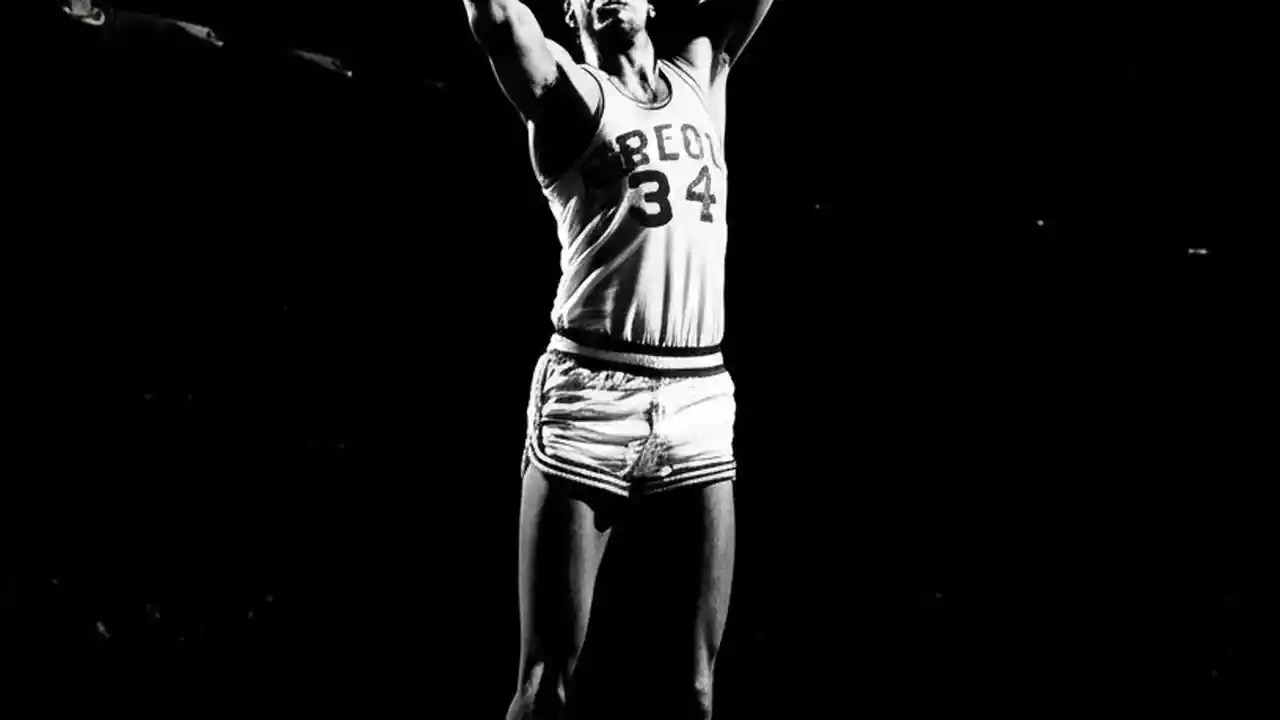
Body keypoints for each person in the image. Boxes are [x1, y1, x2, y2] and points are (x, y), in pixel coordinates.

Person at [461, 1, 772, 717]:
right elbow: (502, 22)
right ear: (571, 13)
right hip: (592, 392)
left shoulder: (702, 69)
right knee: (545, 685)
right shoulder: (568, 96)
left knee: (693, 686)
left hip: (698, 393)